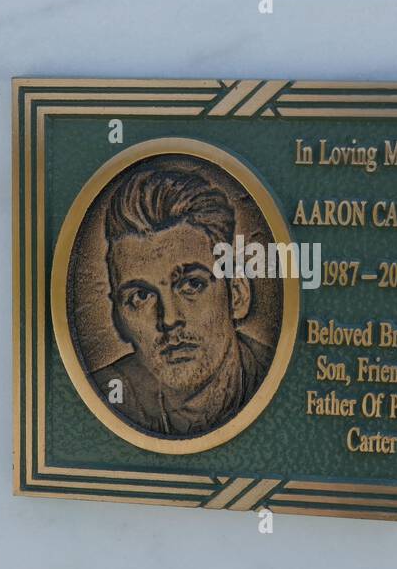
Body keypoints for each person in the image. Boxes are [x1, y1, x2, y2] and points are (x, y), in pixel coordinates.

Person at [90, 163, 273, 436]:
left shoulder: (281, 378)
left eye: (191, 284)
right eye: (141, 296)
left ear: (236, 294)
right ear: (118, 318)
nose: (169, 319)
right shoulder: (107, 392)